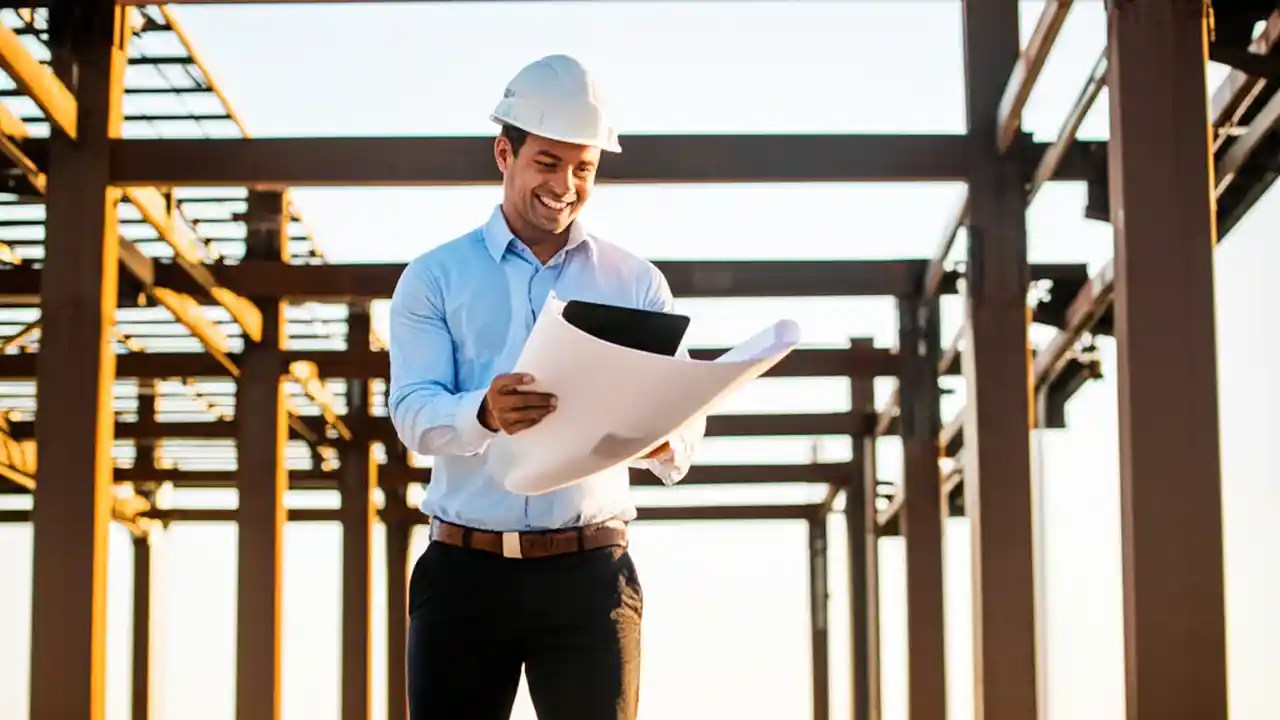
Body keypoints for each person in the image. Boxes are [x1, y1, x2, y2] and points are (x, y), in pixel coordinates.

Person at [388, 54, 706, 720]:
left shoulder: (636, 283)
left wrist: (661, 436)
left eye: (583, 169)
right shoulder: (434, 278)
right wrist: (483, 412)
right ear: (504, 153)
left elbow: (683, 415)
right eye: (548, 163)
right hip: (464, 577)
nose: (565, 186)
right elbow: (413, 412)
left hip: (590, 579)